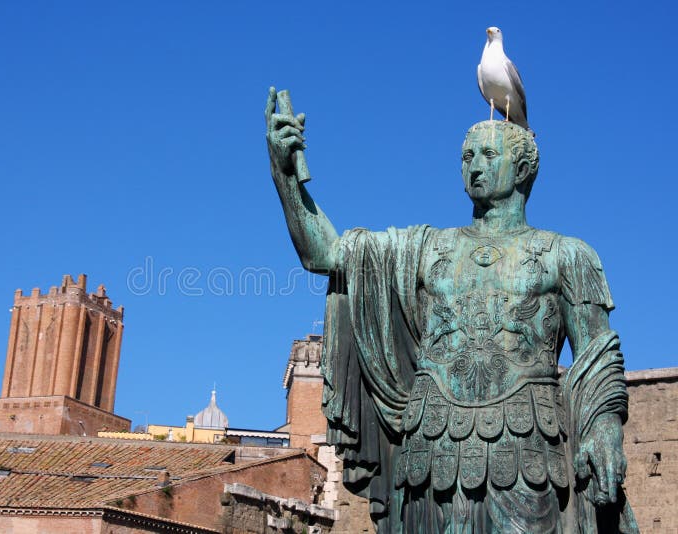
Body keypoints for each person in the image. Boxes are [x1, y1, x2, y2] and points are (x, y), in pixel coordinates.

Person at [265, 87, 638, 533]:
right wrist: (285, 175)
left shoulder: (568, 255)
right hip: (430, 452)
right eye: (466, 156)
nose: (473, 165)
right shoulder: (425, 249)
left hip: (526, 452)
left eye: (486, 154)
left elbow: (597, 357)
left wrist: (603, 428)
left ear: (522, 170)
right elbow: (324, 254)